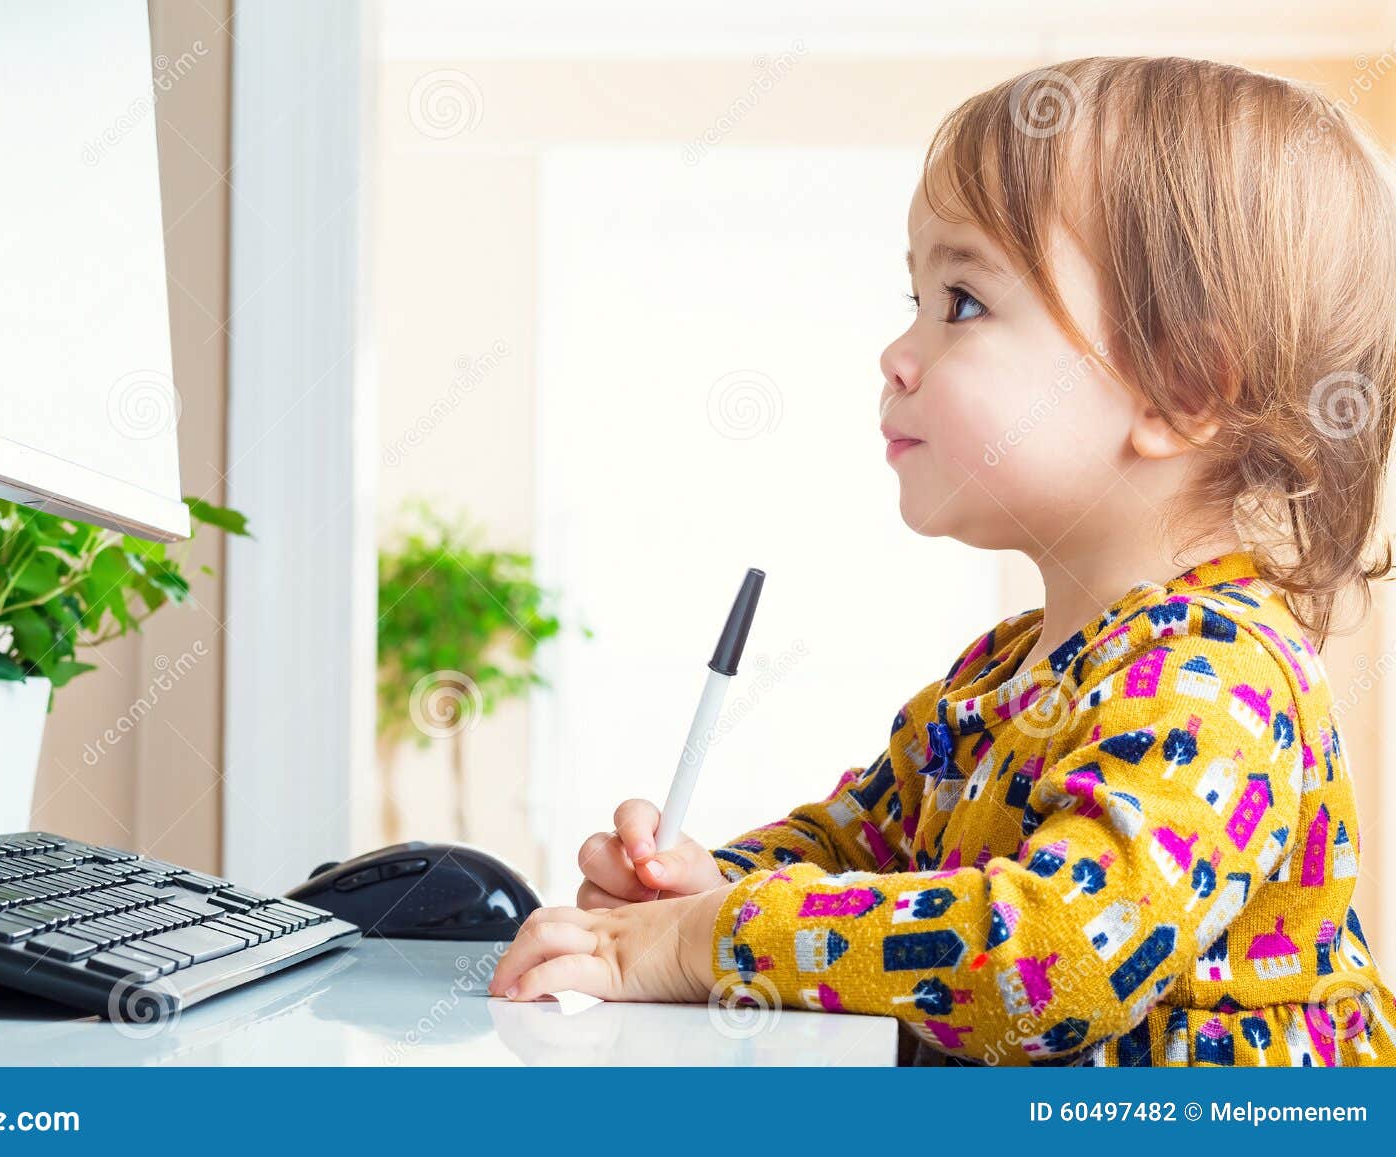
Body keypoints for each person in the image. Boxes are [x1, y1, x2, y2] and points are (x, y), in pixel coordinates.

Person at [488, 56, 1396, 1066]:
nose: (896, 351)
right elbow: (854, 848)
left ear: (1179, 389)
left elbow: (1052, 960)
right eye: (913, 294)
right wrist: (701, 886)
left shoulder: (1220, 678)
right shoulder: (998, 673)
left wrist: (704, 938)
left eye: (960, 301)